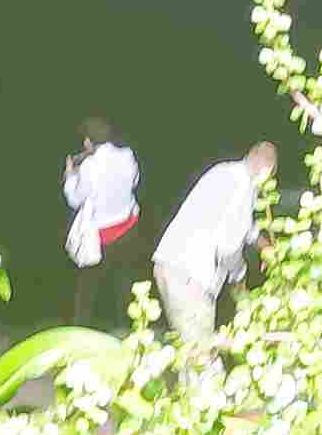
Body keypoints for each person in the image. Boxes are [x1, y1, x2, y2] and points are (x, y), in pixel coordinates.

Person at [153, 142, 273, 346]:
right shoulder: (244, 186)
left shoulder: (226, 172)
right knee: (202, 362)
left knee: (194, 353)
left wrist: (263, 245)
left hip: (172, 266)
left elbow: (237, 222)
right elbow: (228, 247)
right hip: (190, 278)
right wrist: (239, 276)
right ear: (268, 171)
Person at [62, 119, 141, 331]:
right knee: (124, 284)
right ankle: (128, 329)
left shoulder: (89, 165)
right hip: (128, 226)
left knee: (87, 290)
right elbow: (134, 181)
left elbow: (76, 199)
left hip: (101, 236)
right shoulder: (127, 155)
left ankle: (81, 331)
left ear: (88, 142)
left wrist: (70, 176)